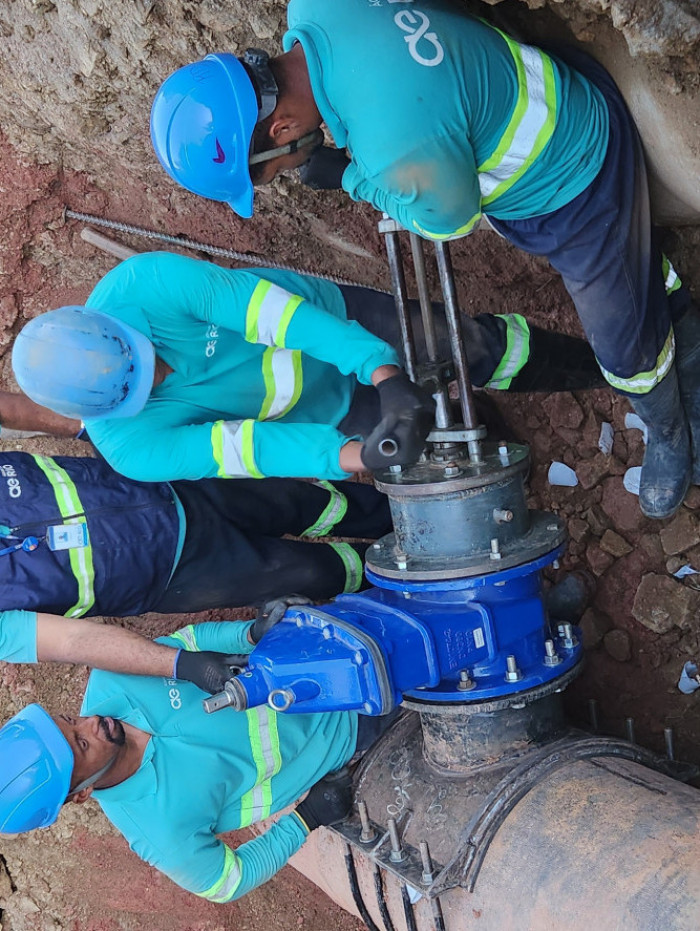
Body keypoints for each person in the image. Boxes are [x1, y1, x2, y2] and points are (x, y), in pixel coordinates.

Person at [148, 0, 700, 521]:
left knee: (624, 345)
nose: (281, 175)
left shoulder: (395, 152)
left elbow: (448, 220)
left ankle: (673, 429)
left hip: (575, 176)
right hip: (535, 82)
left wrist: (349, 176)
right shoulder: (313, 9)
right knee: (640, 283)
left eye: (266, 171)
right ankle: (673, 309)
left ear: (282, 129)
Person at [11, 251, 601, 487]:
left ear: (112, 324)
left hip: (329, 322)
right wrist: (356, 458)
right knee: (444, 453)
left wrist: (382, 371)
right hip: (325, 411)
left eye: (150, 359)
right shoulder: (132, 450)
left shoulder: (144, 284)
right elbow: (246, 449)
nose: (161, 376)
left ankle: (608, 365)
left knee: (466, 346)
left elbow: (279, 318)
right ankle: (502, 443)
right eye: (143, 390)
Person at [0, 618, 394, 904]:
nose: (92, 724)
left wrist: (251, 633)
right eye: (82, 746)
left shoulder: (112, 677)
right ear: (81, 795)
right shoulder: (158, 830)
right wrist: (307, 816)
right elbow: (227, 882)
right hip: (349, 731)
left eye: (70, 721)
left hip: (315, 655)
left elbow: (187, 641)